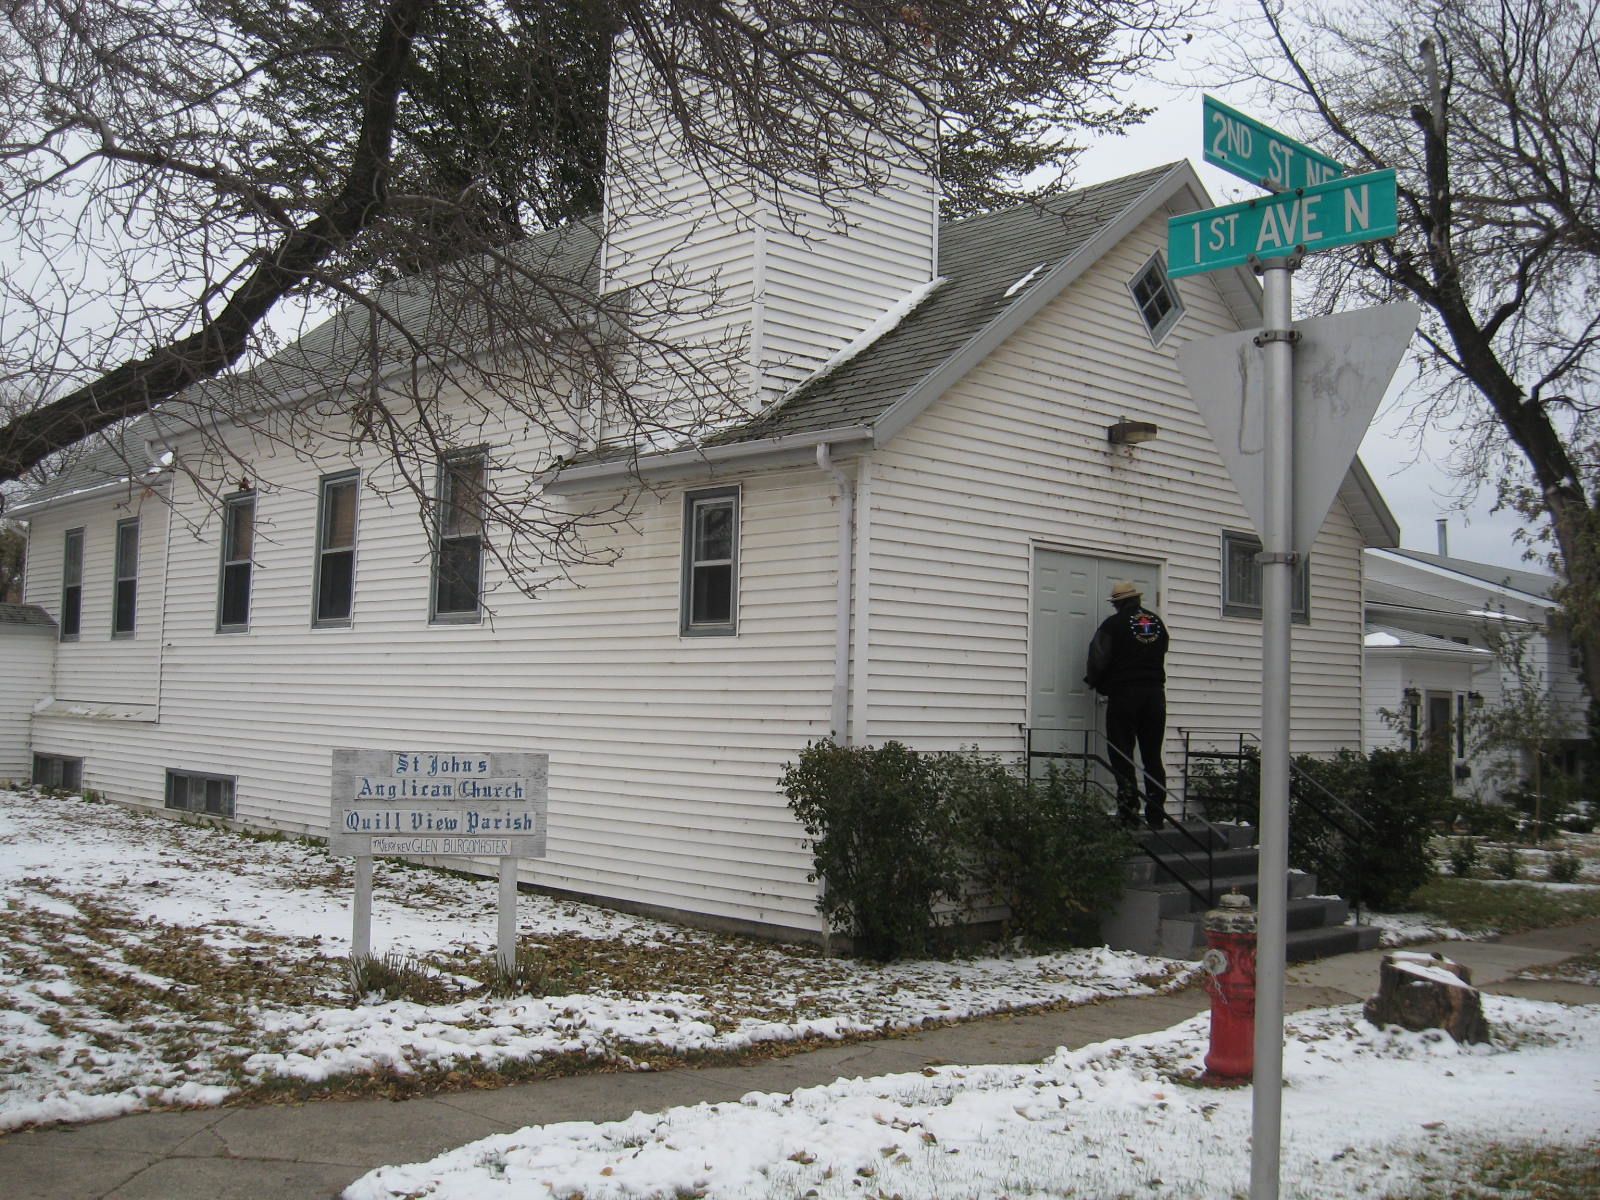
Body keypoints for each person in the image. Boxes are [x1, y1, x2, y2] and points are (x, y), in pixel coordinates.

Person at [1083, 580, 1170, 830]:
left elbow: (1098, 656)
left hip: (1125, 695)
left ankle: (1129, 812)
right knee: (1152, 755)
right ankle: (1156, 814)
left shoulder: (1114, 625)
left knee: (1122, 754)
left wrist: (1096, 681)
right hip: (1155, 696)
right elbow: (1163, 649)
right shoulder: (1155, 623)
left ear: (1119, 603)